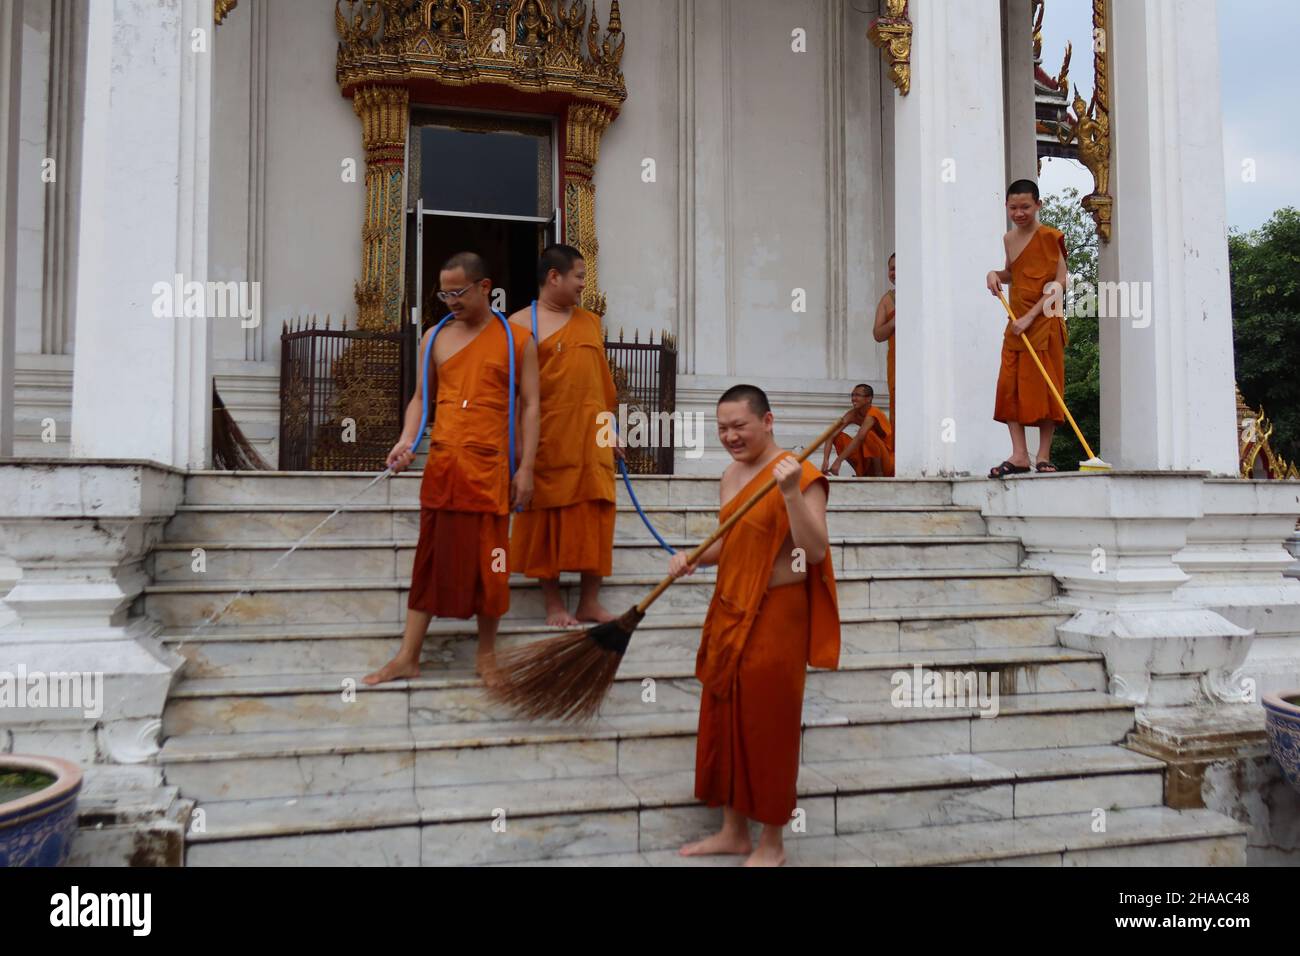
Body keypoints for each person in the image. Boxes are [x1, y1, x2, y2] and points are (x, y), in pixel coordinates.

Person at [671, 384, 840, 867]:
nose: (730, 436)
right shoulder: (729, 475)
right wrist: (694, 558)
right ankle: (732, 831)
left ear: (767, 421)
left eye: (739, 426)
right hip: (730, 607)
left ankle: (771, 843)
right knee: (723, 716)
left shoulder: (801, 474)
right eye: (722, 429)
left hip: (778, 614)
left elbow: (816, 551)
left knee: (768, 723)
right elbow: (734, 541)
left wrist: (788, 493)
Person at [364, 252, 539, 687]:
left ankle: (487, 656)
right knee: (430, 560)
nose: (451, 301)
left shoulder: (517, 340)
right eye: (444, 293)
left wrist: (527, 469)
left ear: (485, 287)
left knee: (493, 564)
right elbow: (421, 398)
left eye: (459, 292)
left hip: (491, 468)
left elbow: (532, 405)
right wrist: (406, 440)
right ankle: (408, 655)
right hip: (444, 466)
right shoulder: (434, 337)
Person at [508, 245, 622, 627]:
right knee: (545, 519)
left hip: (593, 440)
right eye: (579, 277)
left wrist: (612, 431)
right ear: (554, 277)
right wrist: (520, 451)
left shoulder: (590, 322)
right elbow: (514, 395)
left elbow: (601, 387)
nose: (582, 286)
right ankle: (554, 604)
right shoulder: (519, 325)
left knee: (598, 512)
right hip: (546, 439)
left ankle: (589, 601)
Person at [985, 179, 1069, 477]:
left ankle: (1043, 455)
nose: (1019, 213)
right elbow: (1012, 272)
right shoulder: (1009, 239)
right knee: (1009, 387)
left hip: (1044, 320)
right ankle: (1019, 455)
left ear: (1038, 205)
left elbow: (1060, 283)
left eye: (1025, 207)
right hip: (1016, 322)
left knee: (1047, 389)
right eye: (1013, 208)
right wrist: (995, 274)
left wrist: (1031, 317)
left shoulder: (1052, 238)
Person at [821, 384, 894, 477]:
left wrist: (838, 461)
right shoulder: (853, 413)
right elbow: (831, 435)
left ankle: (878, 475)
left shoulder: (873, 413)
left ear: (869, 399)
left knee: (868, 434)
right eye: (852, 395)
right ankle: (860, 471)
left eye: (858, 395)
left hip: (887, 461)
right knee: (838, 437)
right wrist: (825, 461)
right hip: (866, 459)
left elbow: (860, 436)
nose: (853, 399)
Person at [872, 252, 897, 445]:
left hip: (920, 361)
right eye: (891, 268)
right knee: (898, 402)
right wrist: (893, 324)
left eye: (898, 268)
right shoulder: (888, 300)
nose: (894, 272)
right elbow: (878, 334)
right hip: (897, 361)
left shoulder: (921, 294)